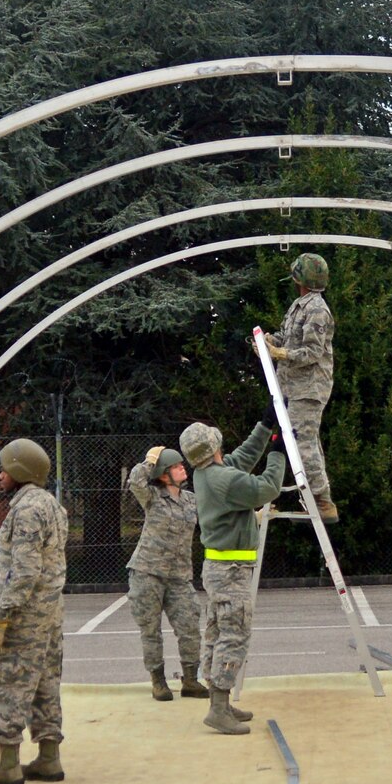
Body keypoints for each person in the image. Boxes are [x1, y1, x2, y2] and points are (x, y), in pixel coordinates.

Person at [179, 418, 285, 735]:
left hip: (219, 569)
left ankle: (220, 702)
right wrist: (279, 451)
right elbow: (267, 488)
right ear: (213, 449)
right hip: (231, 572)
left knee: (216, 634)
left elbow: (242, 457)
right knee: (233, 636)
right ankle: (218, 707)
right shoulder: (222, 479)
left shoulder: (208, 473)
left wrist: (266, 426)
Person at [0, 438, 69, 784]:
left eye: (5, 469)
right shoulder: (51, 505)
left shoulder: (27, 509)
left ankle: (8, 766)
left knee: (8, 685)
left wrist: (1, 618)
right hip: (50, 613)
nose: (0, 475)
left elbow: (25, 571)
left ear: (20, 471)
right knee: (46, 683)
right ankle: (48, 758)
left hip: (26, 615)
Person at [126, 445, 207, 702]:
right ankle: (158, 681)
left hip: (179, 576)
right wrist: (150, 460)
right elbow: (135, 481)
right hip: (147, 572)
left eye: (181, 464)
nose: (182, 467)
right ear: (163, 474)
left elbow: (216, 513)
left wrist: (252, 517)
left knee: (190, 625)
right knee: (151, 630)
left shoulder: (191, 500)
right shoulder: (151, 496)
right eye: (175, 466)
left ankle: (191, 680)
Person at [260, 252, 337, 522]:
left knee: (303, 444)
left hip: (308, 389)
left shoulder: (317, 309)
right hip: (293, 387)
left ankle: (322, 501)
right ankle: (304, 499)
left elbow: (312, 353)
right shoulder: (300, 305)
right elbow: (289, 337)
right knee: (294, 442)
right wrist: (270, 341)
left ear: (300, 278)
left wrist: (281, 354)